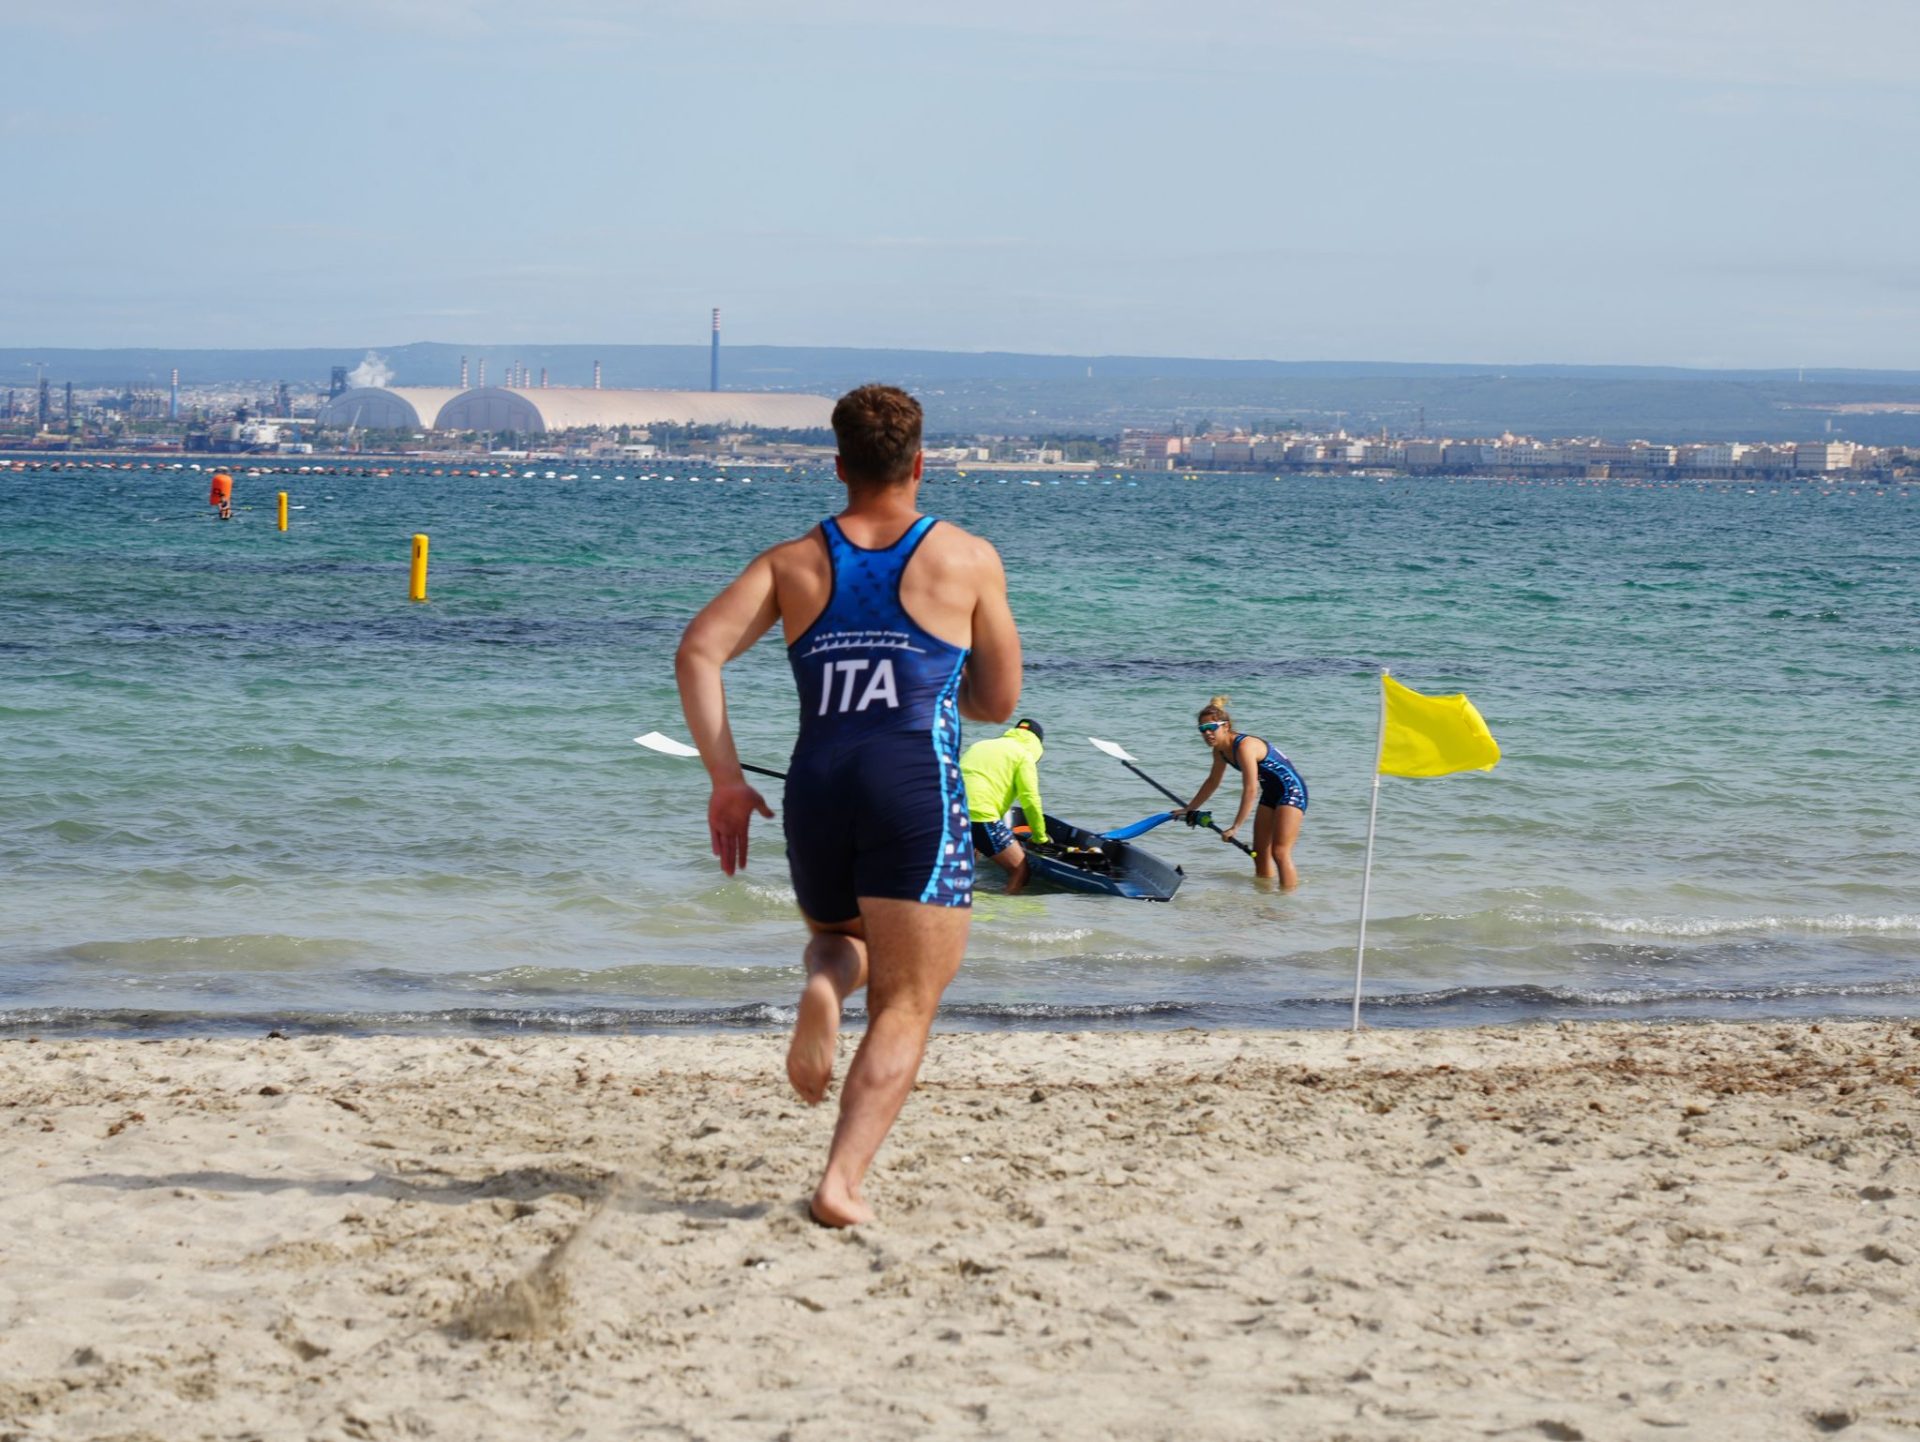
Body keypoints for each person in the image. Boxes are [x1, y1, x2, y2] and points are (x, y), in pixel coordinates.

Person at [675, 383, 1022, 1227]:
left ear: (838, 467)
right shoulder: (965, 557)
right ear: (919, 464)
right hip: (910, 783)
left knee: (840, 941)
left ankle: (824, 986)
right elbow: (999, 700)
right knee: (909, 1001)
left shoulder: (791, 563)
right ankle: (841, 1182)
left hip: (817, 784)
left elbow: (698, 652)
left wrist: (726, 778)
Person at [1171, 694, 1308, 888]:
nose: (1207, 734)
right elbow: (1212, 782)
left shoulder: (1244, 746)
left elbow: (1251, 788)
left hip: (1291, 790)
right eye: (1202, 730)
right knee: (1259, 854)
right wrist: (1189, 808)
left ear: (1225, 726)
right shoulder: (1219, 751)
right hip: (1271, 793)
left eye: (1211, 728)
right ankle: (1266, 899)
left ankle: (1287, 903)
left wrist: (1235, 827)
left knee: (1279, 852)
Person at [959, 718, 1049, 893]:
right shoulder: (1023, 756)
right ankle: (1004, 914)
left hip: (949, 810)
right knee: (1020, 870)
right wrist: (1040, 837)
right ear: (1037, 744)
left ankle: (963, 900)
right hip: (980, 814)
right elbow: (1030, 800)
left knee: (971, 855)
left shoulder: (981, 745)